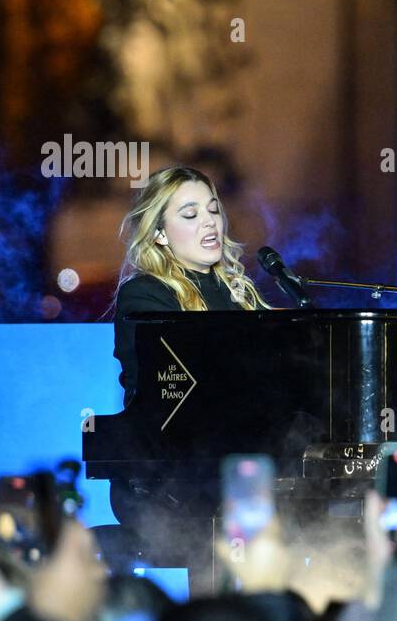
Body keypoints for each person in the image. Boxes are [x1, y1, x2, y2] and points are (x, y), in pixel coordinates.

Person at [102, 166, 273, 593]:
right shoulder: (145, 294)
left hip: (237, 464)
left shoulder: (240, 292)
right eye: (191, 214)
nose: (211, 222)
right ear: (160, 233)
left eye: (213, 210)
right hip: (163, 477)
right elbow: (163, 391)